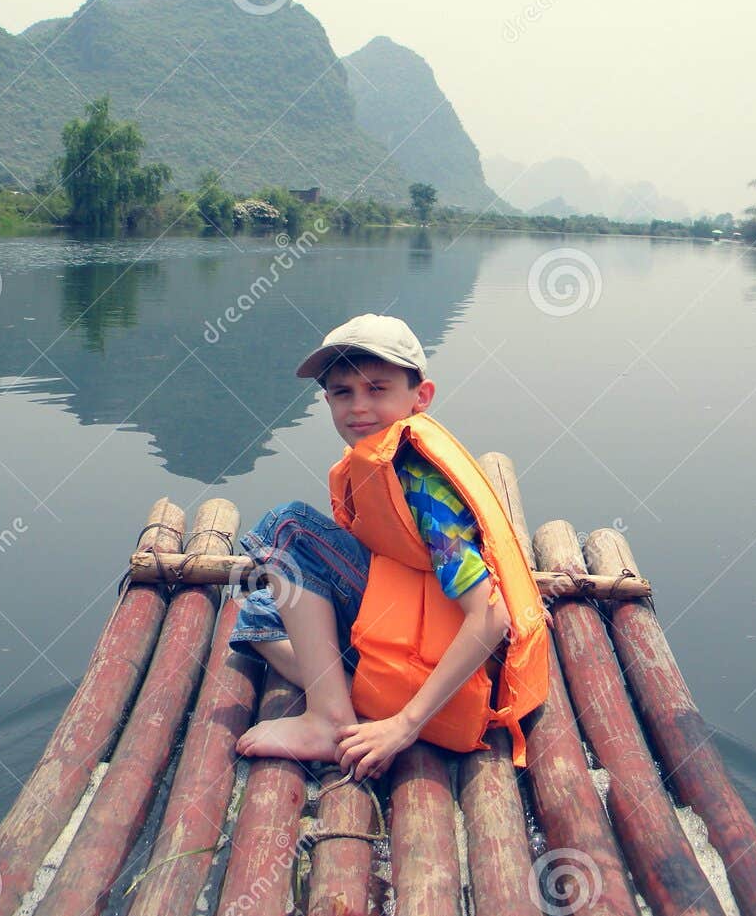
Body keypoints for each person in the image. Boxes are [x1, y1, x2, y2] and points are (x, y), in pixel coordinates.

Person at [227, 313, 548, 781]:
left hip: (461, 668)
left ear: (421, 397)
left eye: (377, 389)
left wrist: (403, 727)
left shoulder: (425, 487)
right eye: (343, 392)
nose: (358, 406)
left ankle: (330, 721)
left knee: (287, 527)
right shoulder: (381, 460)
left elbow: (491, 617)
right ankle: (361, 692)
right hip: (406, 628)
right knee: (260, 613)